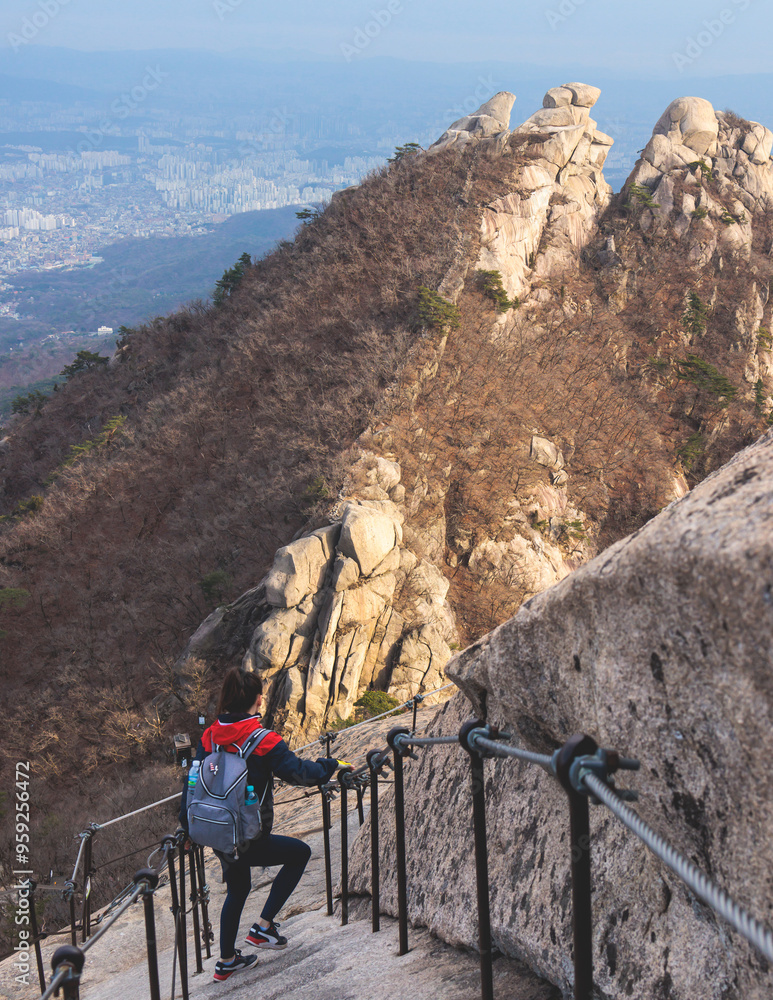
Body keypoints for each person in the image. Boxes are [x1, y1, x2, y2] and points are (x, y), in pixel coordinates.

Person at [180, 666, 340, 982]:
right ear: (257, 700)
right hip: (249, 836)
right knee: (299, 854)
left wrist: (187, 827)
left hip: (216, 831)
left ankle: (226, 961)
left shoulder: (209, 735)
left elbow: (192, 781)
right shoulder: (263, 739)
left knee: (238, 888)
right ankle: (263, 928)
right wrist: (328, 765)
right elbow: (299, 774)